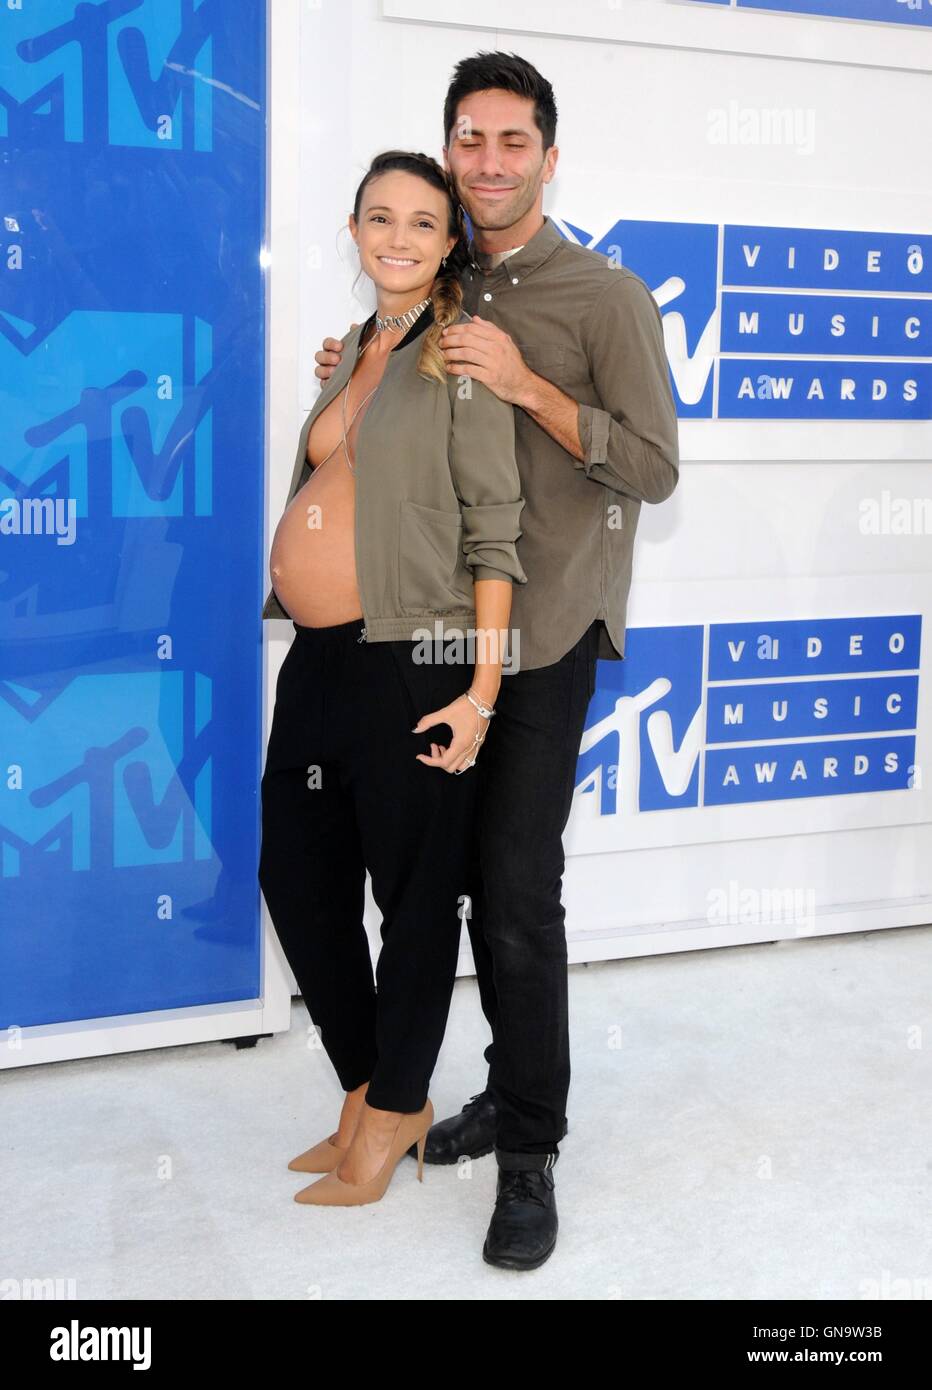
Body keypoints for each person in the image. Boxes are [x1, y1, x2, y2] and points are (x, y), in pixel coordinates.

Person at [314, 53, 680, 1263]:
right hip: (429, 632)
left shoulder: (603, 296)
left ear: (548, 154)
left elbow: (652, 467)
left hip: (544, 631)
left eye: (509, 141)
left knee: (516, 893)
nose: (485, 163)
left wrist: (527, 386)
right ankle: (465, 1088)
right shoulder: (433, 276)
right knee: (441, 885)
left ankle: (529, 1148)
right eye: (466, 139)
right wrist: (354, 374)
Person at [259, 149, 528, 1207]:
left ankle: (395, 1102)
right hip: (319, 658)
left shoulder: (458, 354)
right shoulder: (357, 348)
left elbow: (494, 534)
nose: (400, 237)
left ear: (449, 240)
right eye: (381, 217)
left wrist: (480, 693)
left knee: (414, 902)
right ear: (355, 227)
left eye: (425, 221)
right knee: (298, 874)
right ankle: (371, 1089)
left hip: (415, 657)